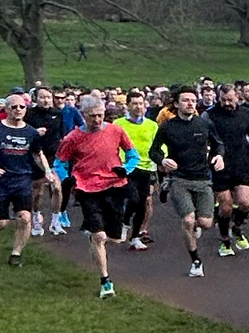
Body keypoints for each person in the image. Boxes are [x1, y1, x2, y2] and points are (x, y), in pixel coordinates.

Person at [55, 95, 140, 299]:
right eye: (92, 116)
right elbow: (59, 162)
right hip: (86, 188)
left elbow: (133, 154)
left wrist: (125, 169)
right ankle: (105, 281)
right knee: (99, 236)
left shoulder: (116, 130)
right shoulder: (72, 138)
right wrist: (66, 178)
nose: (97, 120)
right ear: (83, 115)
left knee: (115, 238)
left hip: (113, 186)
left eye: (100, 115)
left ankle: (94, 234)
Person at [148, 85, 225, 277]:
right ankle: (196, 261)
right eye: (185, 100)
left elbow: (218, 145)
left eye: (192, 100)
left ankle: (196, 226)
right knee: (189, 220)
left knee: (205, 223)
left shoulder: (204, 124)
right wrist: (162, 160)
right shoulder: (167, 127)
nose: (190, 103)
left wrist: (219, 157)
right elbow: (154, 150)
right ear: (176, 103)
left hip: (202, 179)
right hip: (179, 178)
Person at [0, 94, 51, 267]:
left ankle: (16, 254)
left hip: (22, 180)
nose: (18, 110)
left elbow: (37, 154)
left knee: (24, 217)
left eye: (22, 107)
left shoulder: (30, 132)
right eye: (14, 107)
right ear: (6, 109)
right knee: (0, 223)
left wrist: (48, 171)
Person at [206, 82, 249, 257]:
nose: (226, 103)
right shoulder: (210, 115)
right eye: (223, 100)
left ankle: (236, 228)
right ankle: (224, 240)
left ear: (238, 97)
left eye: (230, 100)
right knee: (226, 207)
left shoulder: (245, 113)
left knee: (246, 203)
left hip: (241, 162)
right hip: (219, 164)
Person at [113, 89, 160, 250]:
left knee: (143, 203)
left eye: (141, 103)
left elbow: (158, 145)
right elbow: (113, 144)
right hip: (127, 167)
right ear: (128, 106)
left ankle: (135, 237)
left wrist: (162, 160)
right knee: (133, 198)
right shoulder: (118, 124)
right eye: (134, 104)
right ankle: (125, 222)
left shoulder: (152, 125)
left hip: (147, 167)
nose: (138, 107)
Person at [25, 86, 68, 236]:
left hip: (53, 156)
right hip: (35, 156)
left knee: (57, 188)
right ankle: (36, 216)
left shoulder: (58, 114)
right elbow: (22, 132)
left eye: (49, 97)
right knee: (38, 191)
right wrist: (34, 133)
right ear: (36, 98)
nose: (46, 100)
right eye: (42, 97)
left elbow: (62, 134)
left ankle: (55, 222)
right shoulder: (29, 114)